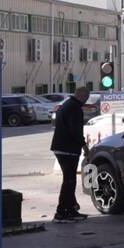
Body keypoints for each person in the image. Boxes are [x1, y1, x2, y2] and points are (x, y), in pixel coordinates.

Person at [50, 87, 90, 222]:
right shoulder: (75, 108)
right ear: (82, 96)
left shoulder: (67, 104)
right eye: (86, 97)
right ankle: (61, 213)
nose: (86, 101)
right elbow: (75, 130)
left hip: (60, 147)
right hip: (68, 149)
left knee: (69, 180)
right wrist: (84, 146)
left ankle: (71, 209)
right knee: (69, 181)